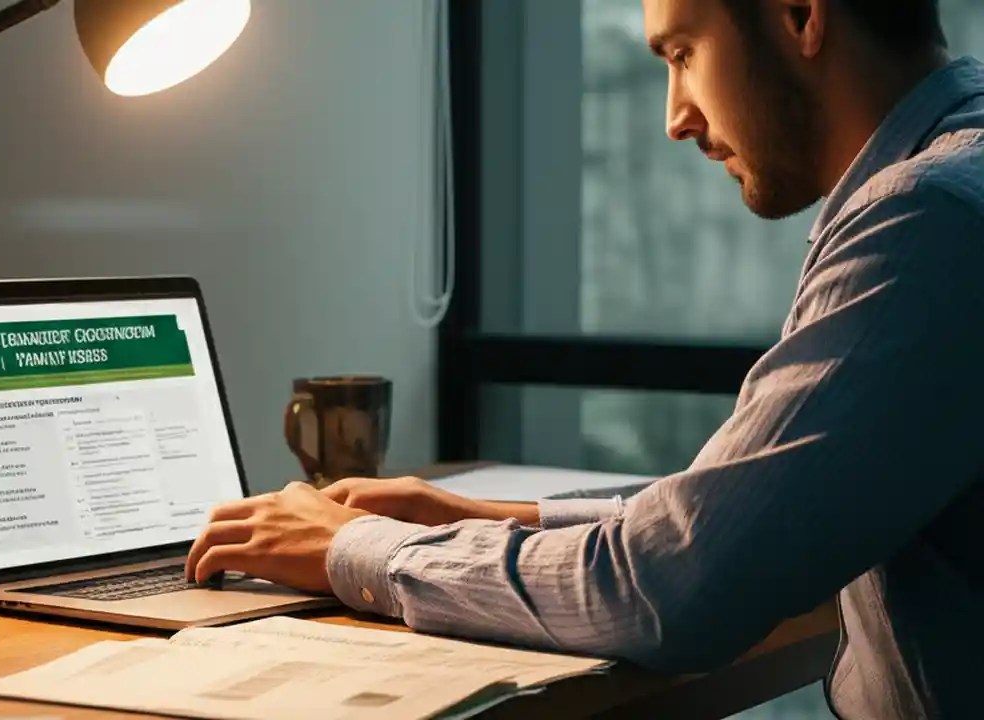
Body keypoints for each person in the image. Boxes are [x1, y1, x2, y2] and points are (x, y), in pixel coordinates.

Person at [186, 1, 984, 717]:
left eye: (681, 54)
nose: (676, 117)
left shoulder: (926, 225)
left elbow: (674, 588)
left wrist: (348, 552)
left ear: (802, 14)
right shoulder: (956, 177)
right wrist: (485, 518)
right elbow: (743, 518)